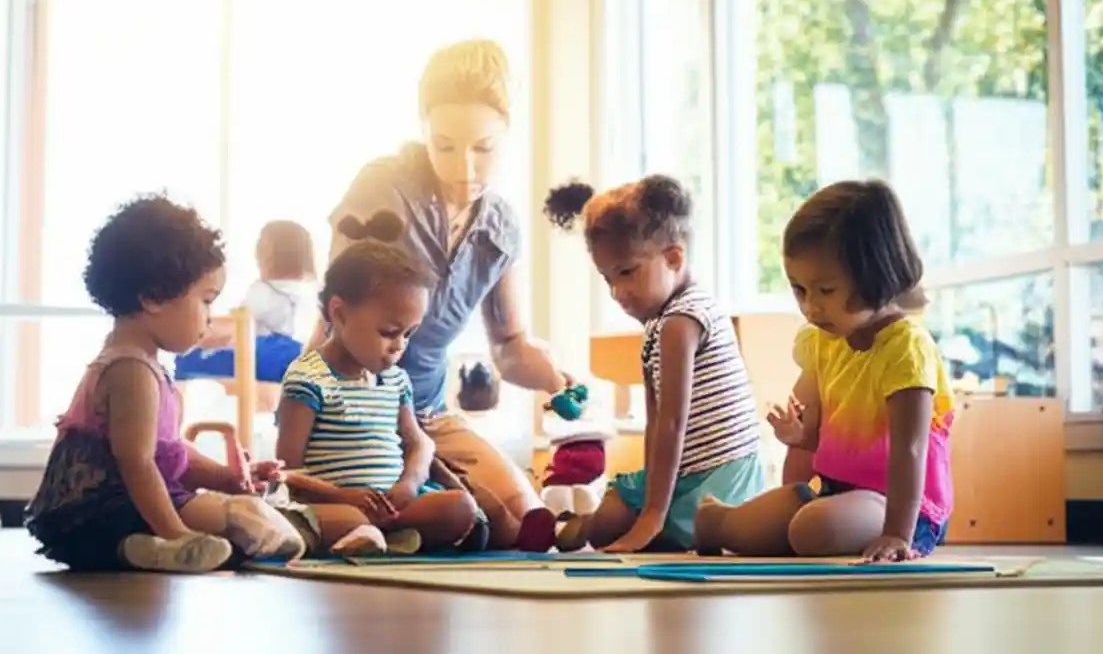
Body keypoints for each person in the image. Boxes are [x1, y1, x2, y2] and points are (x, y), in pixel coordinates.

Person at [312, 39, 572, 550]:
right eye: (445, 145)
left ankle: (416, 519)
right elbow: (333, 311)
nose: (464, 169)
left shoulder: (500, 225)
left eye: (484, 147)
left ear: (507, 134)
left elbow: (511, 347)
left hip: (427, 410)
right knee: (458, 515)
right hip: (352, 405)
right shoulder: (381, 186)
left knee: (526, 519)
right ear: (424, 131)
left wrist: (556, 378)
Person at [24, 195, 306, 573]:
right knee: (238, 515)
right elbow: (138, 464)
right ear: (153, 297)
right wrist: (178, 531)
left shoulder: (143, 366)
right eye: (206, 301)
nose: (210, 318)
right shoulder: (131, 371)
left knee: (233, 510)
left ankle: (142, 549)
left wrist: (227, 478)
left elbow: (168, 451)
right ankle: (165, 545)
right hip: (96, 514)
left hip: (101, 519)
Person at [692, 179, 956, 562]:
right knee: (771, 519)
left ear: (876, 274)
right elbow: (810, 427)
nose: (811, 308)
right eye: (799, 290)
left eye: (826, 291)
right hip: (834, 491)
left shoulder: (906, 348)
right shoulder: (821, 341)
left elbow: (910, 448)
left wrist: (898, 533)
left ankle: (814, 525)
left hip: (900, 507)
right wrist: (798, 432)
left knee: (810, 527)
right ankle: (717, 521)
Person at [542, 174, 765, 553]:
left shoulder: (681, 322)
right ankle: (585, 524)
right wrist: (648, 501)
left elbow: (671, 423)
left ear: (674, 258)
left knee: (659, 527)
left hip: (718, 478)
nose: (617, 293)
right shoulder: (662, 322)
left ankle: (659, 524)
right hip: (684, 474)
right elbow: (655, 419)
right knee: (608, 523)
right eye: (607, 278)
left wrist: (651, 516)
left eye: (627, 272)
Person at [275, 212, 481, 554]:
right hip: (337, 503)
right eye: (388, 332)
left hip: (393, 505)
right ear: (340, 314)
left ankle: (386, 536)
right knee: (344, 520)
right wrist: (342, 496)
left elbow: (419, 444)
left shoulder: (395, 380)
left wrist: (410, 483)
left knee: (460, 507)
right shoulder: (308, 379)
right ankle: (379, 536)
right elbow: (286, 475)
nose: (399, 345)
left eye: (409, 333)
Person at [174, 219, 318, 385]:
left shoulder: (265, 290)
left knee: (185, 360)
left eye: (262, 245)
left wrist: (190, 336)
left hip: (272, 359)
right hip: (306, 359)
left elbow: (233, 329)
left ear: (270, 254)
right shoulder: (313, 290)